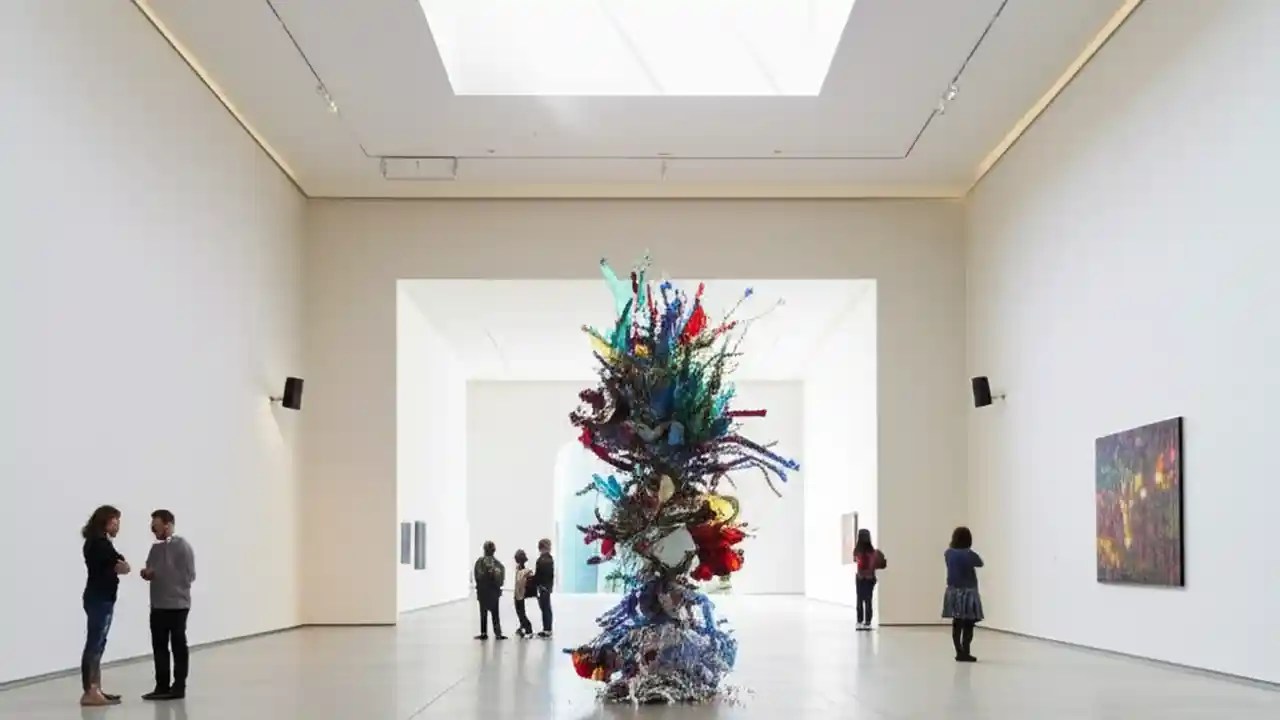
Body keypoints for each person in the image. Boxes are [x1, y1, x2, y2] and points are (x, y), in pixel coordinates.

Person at [141, 509, 197, 700]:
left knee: (178, 645)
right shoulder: (155, 548)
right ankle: (162, 686)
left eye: (155, 525)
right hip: (157, 605)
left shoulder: (182, 546)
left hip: (177, 605)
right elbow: (152, 569)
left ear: (167, 524)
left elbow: (190, 575)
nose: (152, 529)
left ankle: (179, 686)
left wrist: (171, 582)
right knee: (159, 646)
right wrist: (147, 573)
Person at [80, 505, 130, 707]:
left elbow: (120, 563)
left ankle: (95, 689)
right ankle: (91, 691)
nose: (118, 526)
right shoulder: (100, 544)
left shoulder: (98, 542)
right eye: (116, 522)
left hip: (99, 597)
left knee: (98, 643)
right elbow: (122, 564)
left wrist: (121, 565)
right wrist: (121, 565)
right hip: (99, 598)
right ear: (106, 522)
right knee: (95, 644)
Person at [942, 526, 985, 662]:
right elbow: (980, 563)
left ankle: (958, 651)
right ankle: (966, 650)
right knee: (968, 624)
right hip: (968, 592)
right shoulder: (969, 554)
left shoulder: (948, 553)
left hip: (953, 591)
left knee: (957, 622)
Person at [852, 529, 887, 630]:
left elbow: (855, 560)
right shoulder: (873, 552)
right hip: (870, 578)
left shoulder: (857, 551)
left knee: (859, 599)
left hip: (860, 578)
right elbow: (878, 564)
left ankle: (859, 621)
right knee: (868, 600)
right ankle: (867, 622)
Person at [473, 541, 506, 640]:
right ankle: (497, 633)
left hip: (483, 591)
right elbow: (501, 580)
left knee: (483, 613)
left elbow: (477, 577)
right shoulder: (498, 564)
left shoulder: (480, 562)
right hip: (493, 592)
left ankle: (484, 633)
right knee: (495, 613)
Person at [533, 538, 555, 638]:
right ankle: (547, 629)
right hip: (547, 587)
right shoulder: (550, 559)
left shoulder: (541, 560)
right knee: (547, 608)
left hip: (542, 587)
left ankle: (547, 630)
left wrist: (535, 584)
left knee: (545, 608)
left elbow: (538, 575)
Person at [512, 549, 535, 638]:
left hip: (520, 594)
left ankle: (529, 629)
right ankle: (522, 627)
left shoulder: (523, 571)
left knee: (521, 613)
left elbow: (520, 582)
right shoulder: (520, 569)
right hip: (519, 594)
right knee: (521, 612)